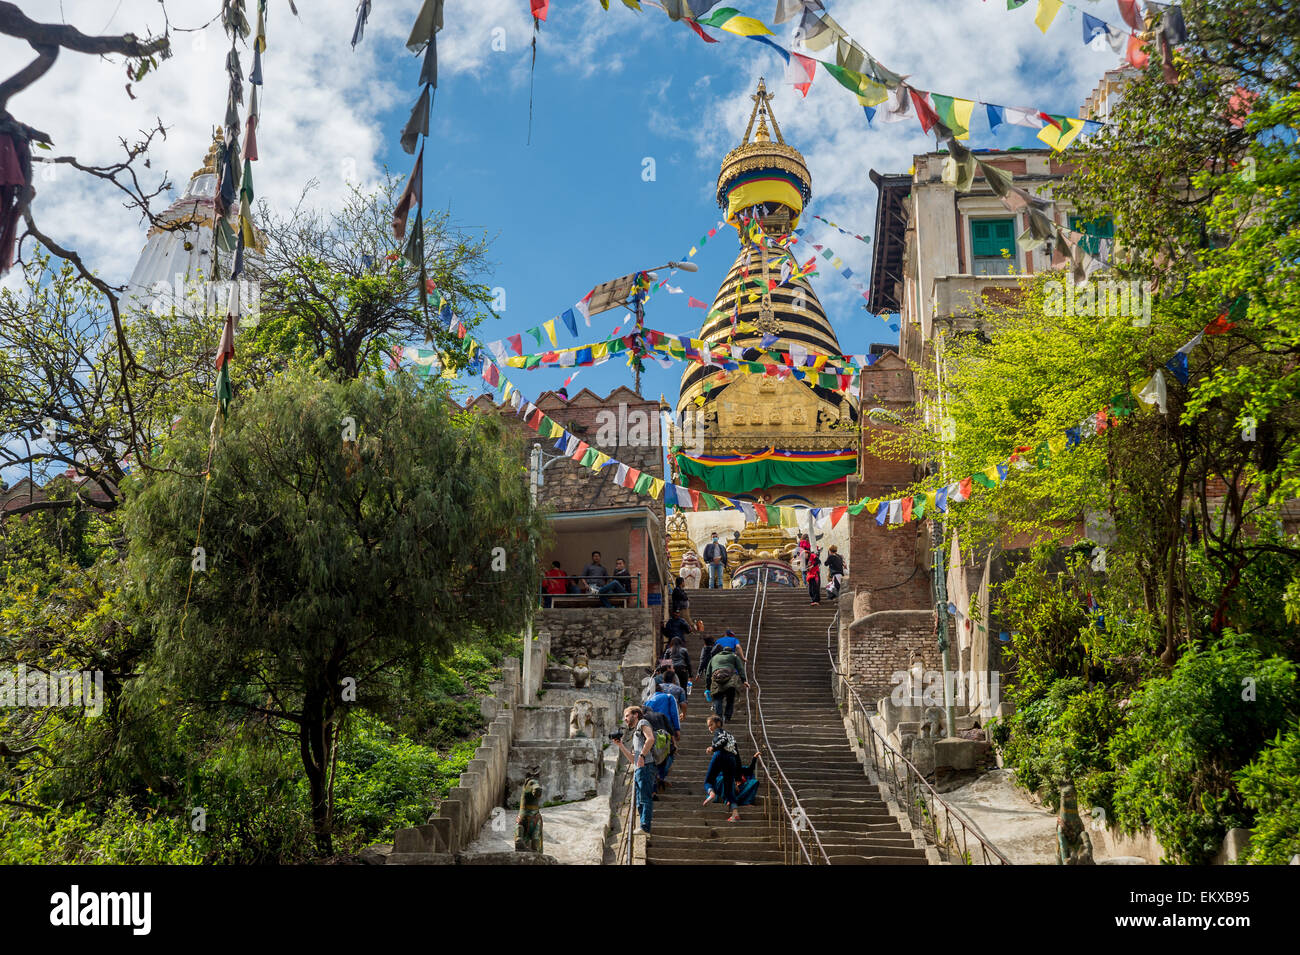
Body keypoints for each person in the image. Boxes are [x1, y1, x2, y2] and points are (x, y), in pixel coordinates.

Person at [614, 705, 657, 833]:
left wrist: (643, 755)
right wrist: (620, 745)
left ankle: (645, 826)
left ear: (635, 715)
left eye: (627, 715)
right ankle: (643, 826)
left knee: (644, 798)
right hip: (639, 768)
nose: (625, 719)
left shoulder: (643, 723)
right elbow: (633, 759)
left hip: (646, 766)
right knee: (639, 801)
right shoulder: (635, 733)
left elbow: (650, 739)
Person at [702, 714, 742, 822]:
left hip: (720, 755)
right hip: (731, 759)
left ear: (718, 724)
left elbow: (723, 740)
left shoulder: (719, 732)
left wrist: (713, 747)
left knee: (708, 781)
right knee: (729, 788)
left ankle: (711, 793)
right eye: (708, 726)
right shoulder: (732, 737)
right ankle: (735, 813)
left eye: (711, 724)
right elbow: (737, 756)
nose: (710, 727)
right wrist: (738, 777)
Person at [704, 643, 748, 722]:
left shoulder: (714, 657)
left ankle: (719, 717)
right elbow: (740, 668)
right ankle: (727, 717)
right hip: (730, 680)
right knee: (730, 699)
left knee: (718, 698)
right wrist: (744, 680)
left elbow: (708, 673)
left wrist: (707, 687)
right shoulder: (734, 656)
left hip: (716, 680)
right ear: (731, 652)